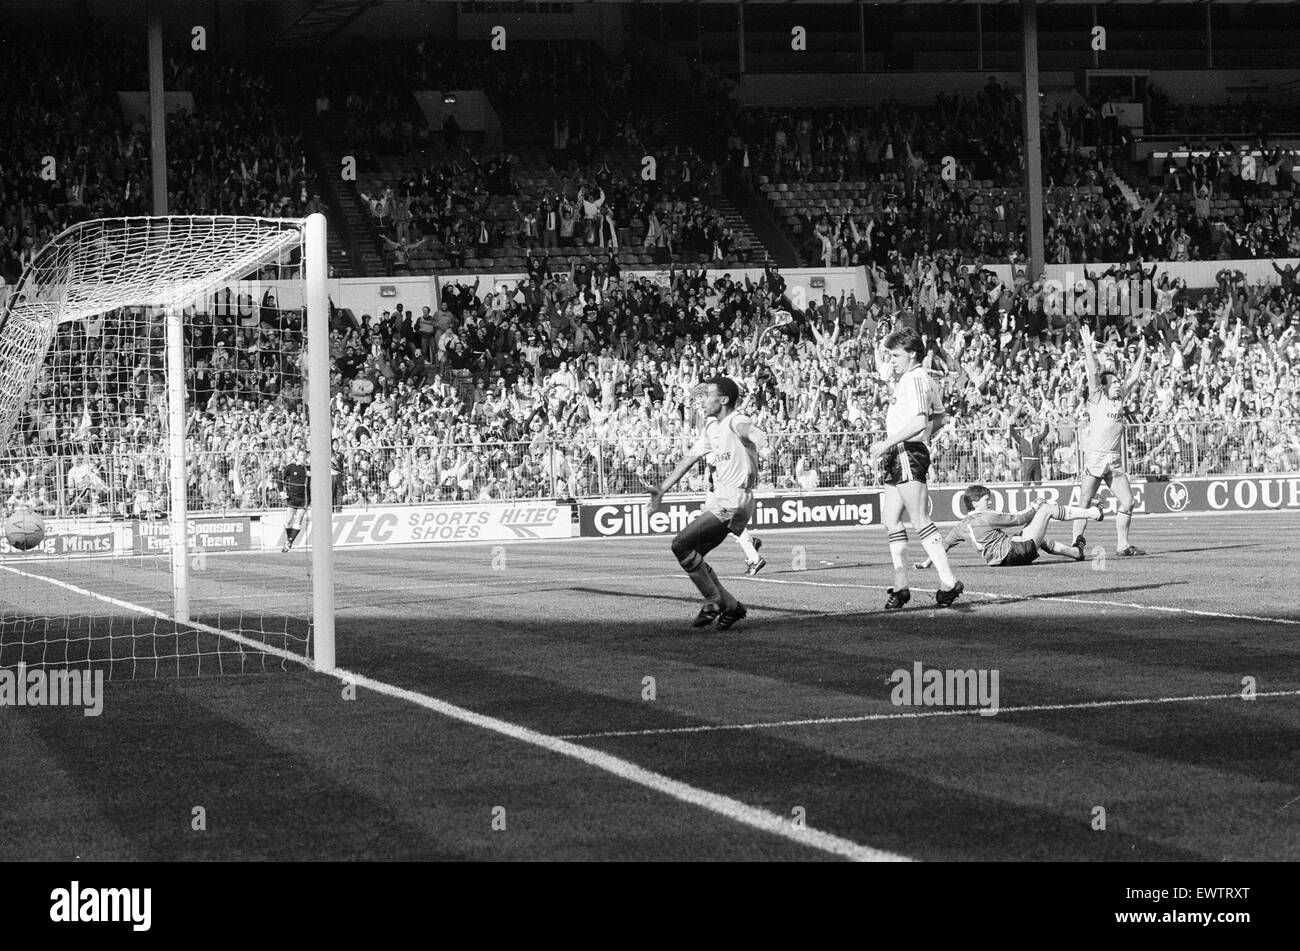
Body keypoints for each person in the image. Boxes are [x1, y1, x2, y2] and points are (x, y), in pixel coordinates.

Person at [648, 377, 764, 630]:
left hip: (734, 500)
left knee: (680, 543)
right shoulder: (712, 427)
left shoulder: (734, 420)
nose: (702, 400)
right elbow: (689, 459)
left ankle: (713, 600)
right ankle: (732, 606)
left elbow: (750, 429)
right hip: (726, 500)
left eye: (707, 394)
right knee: (690, 553)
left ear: (723, 400)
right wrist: (662, 490)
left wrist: (762, 441)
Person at [868, 327, 964, 609]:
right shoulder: (915, 378)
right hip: (901, 452)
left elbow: (921, 421)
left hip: (906, 452)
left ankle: (948, 581)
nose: (892, 360)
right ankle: (901, 586)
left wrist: (888, 443)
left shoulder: (916, 378)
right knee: (890, 519)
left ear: (912, 355)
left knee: (919, 519)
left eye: (895, 355)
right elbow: (940, 415)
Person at [1071, 323, 1147, 556]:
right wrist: (1087, 347)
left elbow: (1134, 376)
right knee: (1084, 503)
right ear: (1104, 387)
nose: (1117, 385)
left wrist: (1143, 351)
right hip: (1095, 457)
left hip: (1113, 459)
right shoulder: (1097, 397)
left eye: (1117, 383)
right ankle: (1076, 544)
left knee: (1128, 502)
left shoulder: (1119, 398)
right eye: (1113, 382)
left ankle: (1122, 545)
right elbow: (1093, 373)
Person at [916, 484, 1104, 570]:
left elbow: (943, 546)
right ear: (974, 503)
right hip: (1015, 552)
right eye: (986, 500)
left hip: (1000, 560)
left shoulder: (960, 527)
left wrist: (925, 564)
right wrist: (1035, 505)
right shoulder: (986, 517)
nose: (989, 503)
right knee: (1046, 509)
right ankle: (1094, 513)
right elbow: (1021, 519)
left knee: (1041, 540)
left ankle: (1076, 553)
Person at [705, 449, 765, 575]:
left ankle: (755, 558)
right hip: (730, 491)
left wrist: (710, 484)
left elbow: (711, 467)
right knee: (725, 525)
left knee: (731, 525)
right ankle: (751, 543)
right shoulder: (733, 447)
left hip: (726, 493)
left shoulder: (716, 449)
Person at [279, 448, 310, 552]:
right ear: (297, 456)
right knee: (288, 521)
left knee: (299, 519)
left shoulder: (309, 468)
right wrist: (281, 491)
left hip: (304, 498)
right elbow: (280, 478)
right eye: (301, 455)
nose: (303, 457)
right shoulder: (291, 467)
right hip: (292, 497)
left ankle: (289, 542)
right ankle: (289, 541)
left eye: (304, 455)